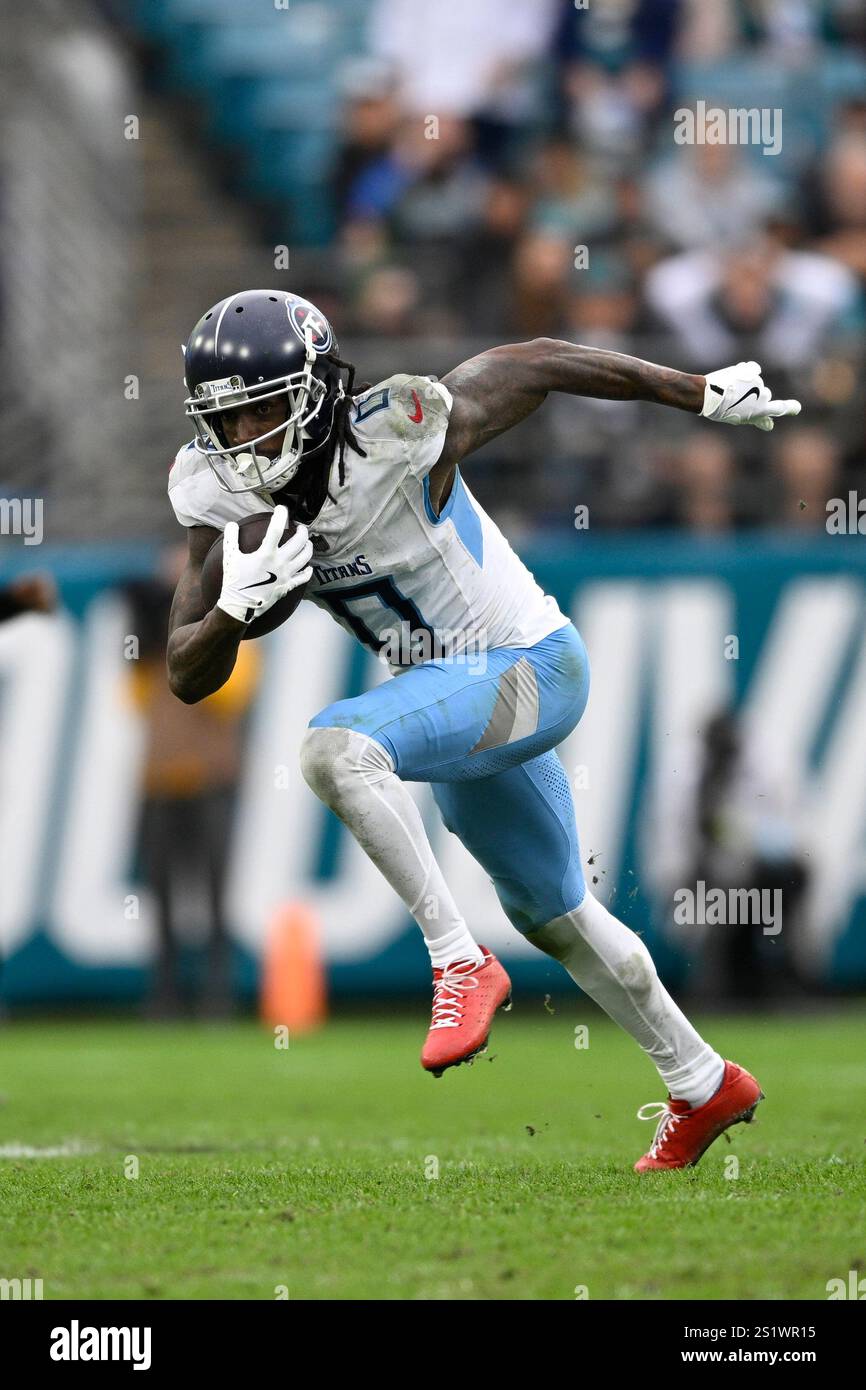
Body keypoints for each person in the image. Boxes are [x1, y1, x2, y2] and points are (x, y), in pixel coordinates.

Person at [165, 289, 801, 1171]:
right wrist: (234, 611)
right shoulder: (218, 492)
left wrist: (693, 392)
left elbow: (533, 361)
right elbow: (184, 670)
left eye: (265, 411)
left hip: (530, 667)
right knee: (556, 917)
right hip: (453, 696)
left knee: (335, 748)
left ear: (315, 393)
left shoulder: (395, 428)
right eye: (227, 424)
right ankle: (702, 1082)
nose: (247, 443)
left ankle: (459, 962)